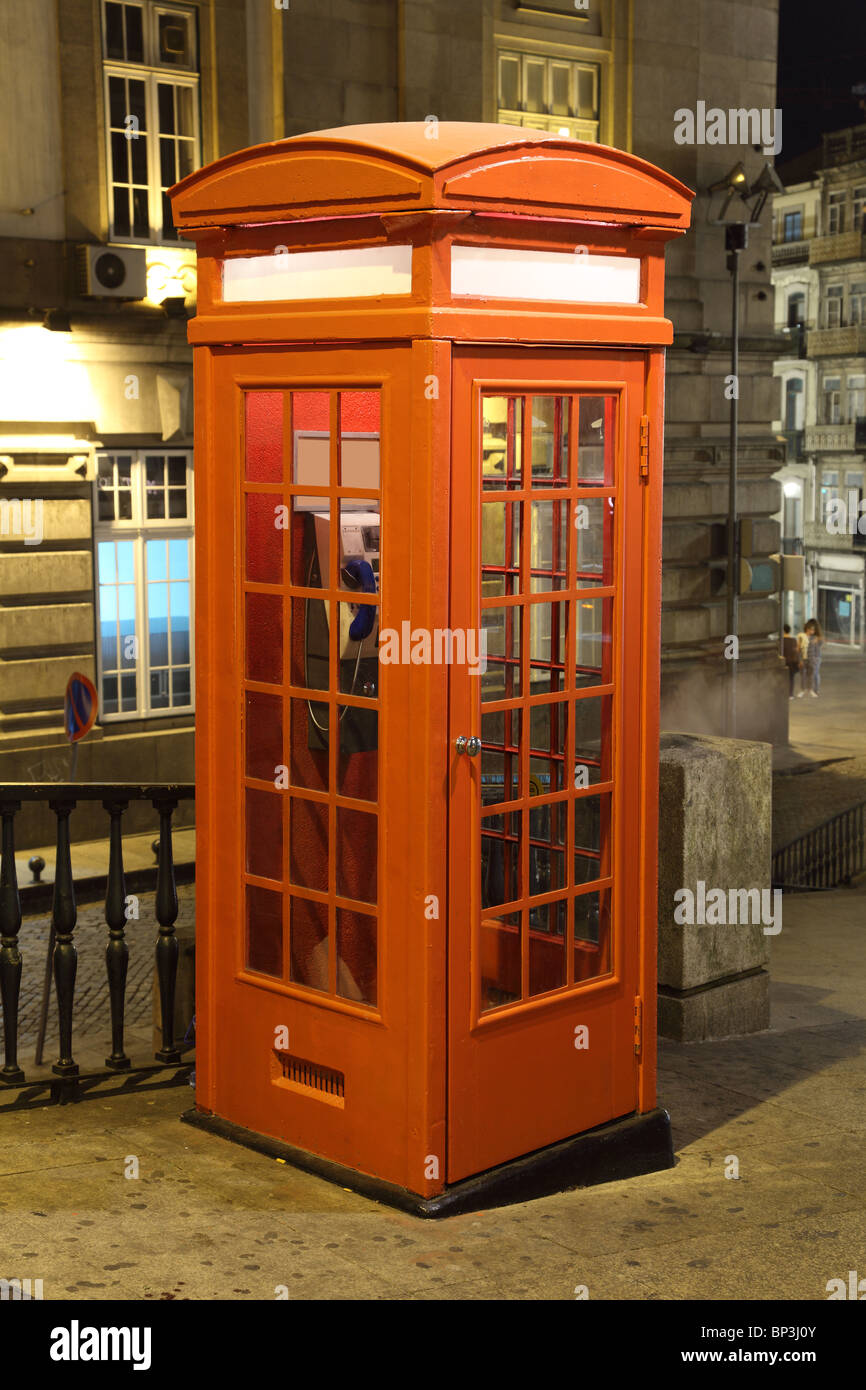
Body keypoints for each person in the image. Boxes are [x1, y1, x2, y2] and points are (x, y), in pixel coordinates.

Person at [802, 617, 825, 697]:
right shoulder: (811, 636)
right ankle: (811, 689)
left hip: (816, 657)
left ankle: (816, 690)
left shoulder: (818, 637)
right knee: (811, 674)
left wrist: (817, 641)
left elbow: (820, 645)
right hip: (811, 657)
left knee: (815, 673)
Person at [782, 624, 802, 699]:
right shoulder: (794, 640)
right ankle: (790, 694)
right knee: (791, 679)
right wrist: (799, 661)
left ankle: (783, 694)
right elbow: (797, 652)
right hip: (793, 663)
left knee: (783, 679)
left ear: (783, 631)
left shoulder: (781, 641)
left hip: (784, 662)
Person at [795, 625, 809, 697]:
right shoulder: (801, 636)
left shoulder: (813, 637)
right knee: (803, 675)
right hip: (803, 658)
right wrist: (799, 660)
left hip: (811, 658)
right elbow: (798, 648)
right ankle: (803, 690)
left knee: (810, 675)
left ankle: (810, 690)